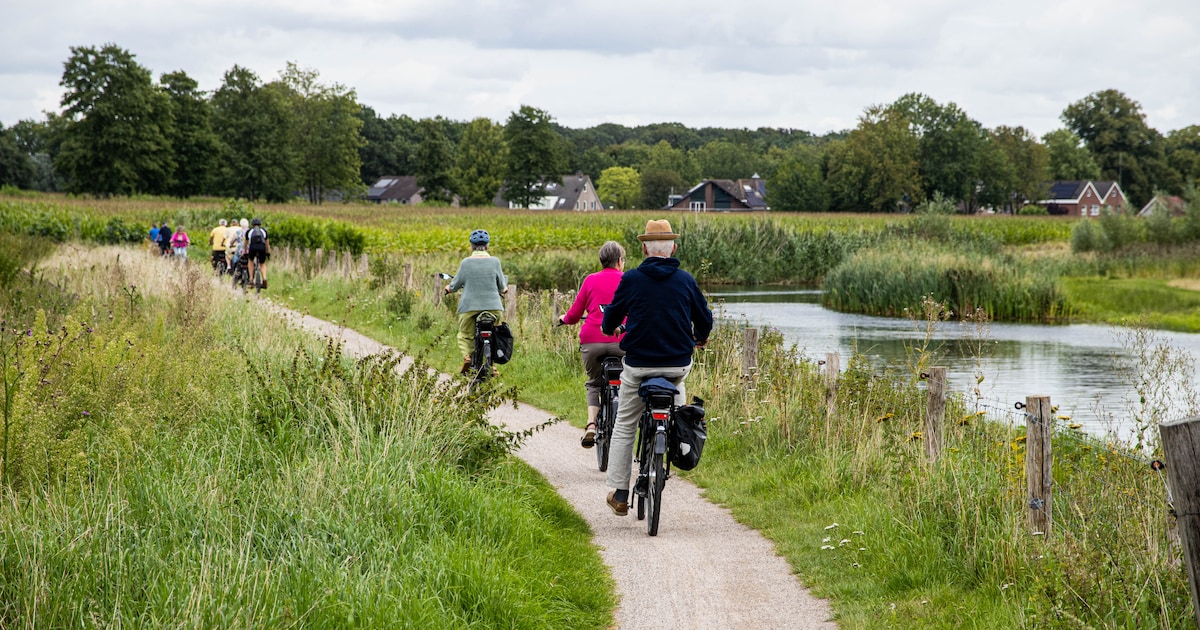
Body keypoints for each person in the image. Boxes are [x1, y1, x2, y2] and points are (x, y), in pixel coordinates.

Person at [599, 219, 712, 516]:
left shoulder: (633, 278)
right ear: (673, 248)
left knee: (624, 425)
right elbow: (705, 318)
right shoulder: (685, 280)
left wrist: (609, 327)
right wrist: (700, 338)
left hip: (638, 366)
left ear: (644, 248)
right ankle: (676, 428)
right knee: (677, 404)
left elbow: (611, 316)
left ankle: (621, 492)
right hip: (676, 366)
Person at [558, 241, 626, 448]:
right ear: (620, 261)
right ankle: (626, 425)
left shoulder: (590, 280)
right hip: (622, 342)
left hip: (592, 342)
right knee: (629, 382)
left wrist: (563, 319)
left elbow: (575, 313)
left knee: (594, 383)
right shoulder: (628, 280)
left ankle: (591, 425)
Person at [444, 229, 507, 374]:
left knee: (465, 334)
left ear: (471, 246)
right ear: (487, 245)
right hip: (493, 307)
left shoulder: (466, 263)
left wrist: (449, 288)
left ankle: (468, 357)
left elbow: (455, 284)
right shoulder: (495, 262)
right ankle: (493, 364)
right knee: (496, 333)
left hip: (469, 307)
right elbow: (502, 286)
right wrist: (504, 290)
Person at [245, 218, 270, 289]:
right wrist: (268, 252)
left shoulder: (249, 231)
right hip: (262, 247)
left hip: (253, 247)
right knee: (262, 263)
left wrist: (245, 251)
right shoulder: (264, 231)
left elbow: (245, 243)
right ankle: (264, 279)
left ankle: (251, 279)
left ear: (252, 225)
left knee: (250, 260)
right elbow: (267, 244)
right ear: (260, 225)